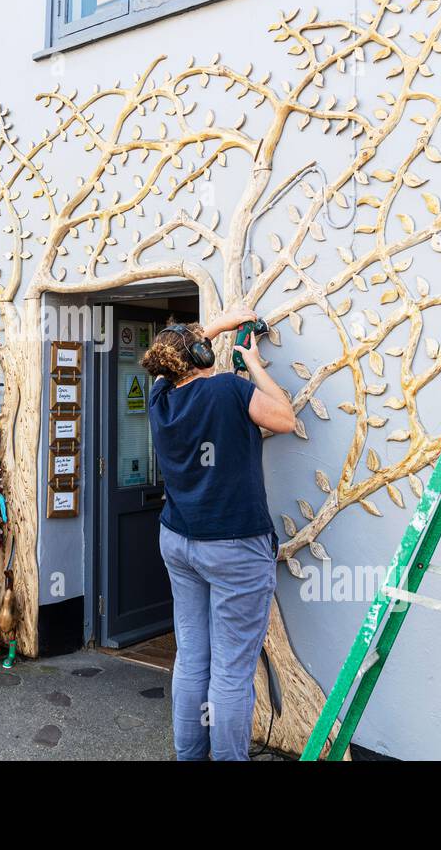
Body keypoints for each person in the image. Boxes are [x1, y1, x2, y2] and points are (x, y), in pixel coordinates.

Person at [141, 307, 296, 761]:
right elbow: (284, 419)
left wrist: (216, 327)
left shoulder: (160, 398)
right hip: (234, 548)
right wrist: (257, 369)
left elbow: (170, 357)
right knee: (230, 670)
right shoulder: (231, 389)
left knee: (191, 658)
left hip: (179, 541)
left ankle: (189, 754)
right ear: (202, 353)